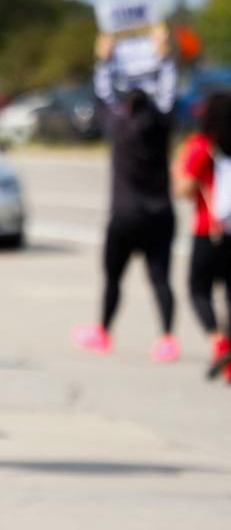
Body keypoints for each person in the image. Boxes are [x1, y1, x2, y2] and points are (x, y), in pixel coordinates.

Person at [73, 29, 179, 361]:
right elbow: (168, 95)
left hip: (125, 215)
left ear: (127, 108)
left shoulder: (119, 127)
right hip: (161, 213)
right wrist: (165, 58)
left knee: (113, 278)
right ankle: (167, 338)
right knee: (161, 278)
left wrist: (103, 59)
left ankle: (103, 331)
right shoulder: (162, 127)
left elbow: (102, 95)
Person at [172, 91, 231, 381]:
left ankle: (218, 340)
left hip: (209, 230)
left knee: (198, 289)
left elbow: (184, 188)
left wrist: (178, 167)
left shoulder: (202, 146)